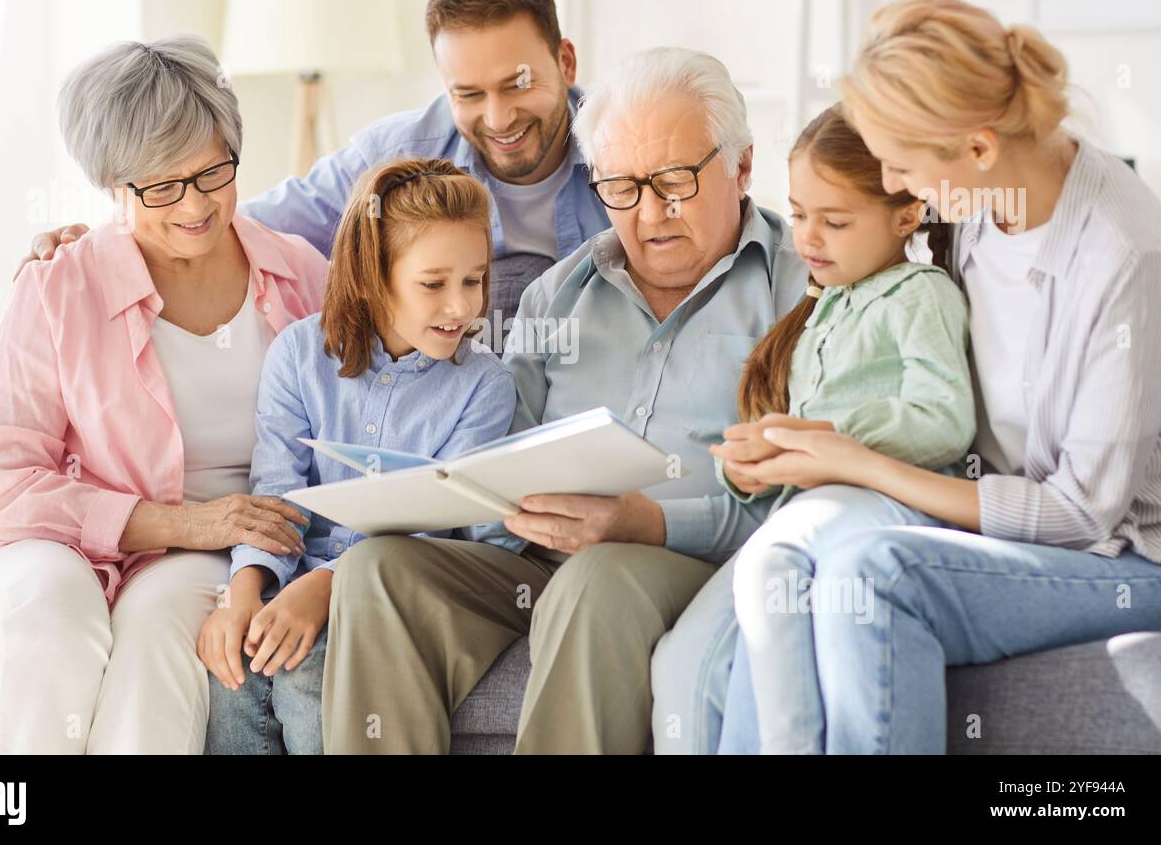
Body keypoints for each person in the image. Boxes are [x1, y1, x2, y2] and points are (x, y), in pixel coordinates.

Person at [709, 0, 1161, 754]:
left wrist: (861, 459)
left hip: (1125, 556)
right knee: (791, 561)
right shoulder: (978, 209)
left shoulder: (1127, 256)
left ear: (980, 148)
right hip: (994, 521)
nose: (896, 185)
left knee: (875, 573)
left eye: (900, 165)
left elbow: (1082, 516)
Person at [320, 47, 808, 754]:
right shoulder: (560, 293)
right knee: (378, 571)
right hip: (541, 559)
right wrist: (480, 496)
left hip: (691, 562)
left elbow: (808, 499)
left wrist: (648, 522)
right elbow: (504, 447)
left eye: (673, 181)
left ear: (741, 166)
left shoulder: (799, 293)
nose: (648, 215)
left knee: (598, 576)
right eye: (620, 186)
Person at [0, 35, 328, 753]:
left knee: (161, 631)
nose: (195, 205)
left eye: (212, 173)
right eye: (161, 186)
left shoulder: (299, 276)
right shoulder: (60, 284)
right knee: (49, 615)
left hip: (215, 555)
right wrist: (178, 522)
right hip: (52, 540)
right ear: (114, 184)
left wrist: (228, 537)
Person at [14, 0, 610, 330]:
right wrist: (99, 246)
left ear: (564, 60)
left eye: (516, 85)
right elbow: (248, 226)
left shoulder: (625, 148)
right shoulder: (402, 149)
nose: (497, 116)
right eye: (469, 93)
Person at [201, 159, 517, 755]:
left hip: (387, 596)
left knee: (306, 676)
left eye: (474, 281)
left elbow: (439, 529)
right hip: (285, 580)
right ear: (373, 276)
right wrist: (242, 594)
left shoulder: (485, 387)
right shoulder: (299, 354)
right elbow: (276, 494)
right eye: (433, 284)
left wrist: (325, 587)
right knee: (232, 677)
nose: (460, 307)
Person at [705, 104, 975, 754]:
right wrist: (746, 467)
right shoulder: (822, 308)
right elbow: (799, 446)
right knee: (710, 664)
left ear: (906, 213)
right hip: (813, 508)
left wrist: (823, 435)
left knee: (769, 568)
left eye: (835, 221)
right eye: (799, 215)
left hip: (888, 502)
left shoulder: (920, 293)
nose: (808, 238)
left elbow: (946, 416)